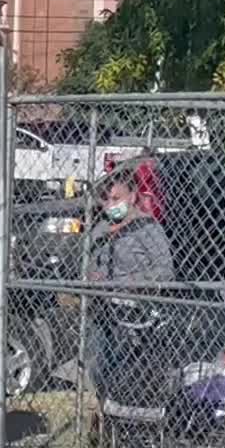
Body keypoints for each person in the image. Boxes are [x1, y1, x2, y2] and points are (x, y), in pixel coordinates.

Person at [86, 171, 177, 428]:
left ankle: (130, 421)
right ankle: (105, 415)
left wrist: (127, 283)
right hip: (104, 310)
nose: (110, 205)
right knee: (99, 365)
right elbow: (89, 262)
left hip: (136, 313)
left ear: (133, 196)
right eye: (106, 200)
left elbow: (165, 271)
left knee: (127, 369)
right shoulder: (102, 228)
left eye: (116, 198)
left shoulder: (147, 227)